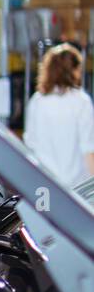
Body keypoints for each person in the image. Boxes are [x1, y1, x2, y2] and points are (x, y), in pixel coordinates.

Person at [23, 43, 94, 188]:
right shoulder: (81, 101)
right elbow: (88, 149)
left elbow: (30, 146)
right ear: (72, 70)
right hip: (77, 189)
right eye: (78, 69)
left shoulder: (37, 101)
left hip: (45, 186)